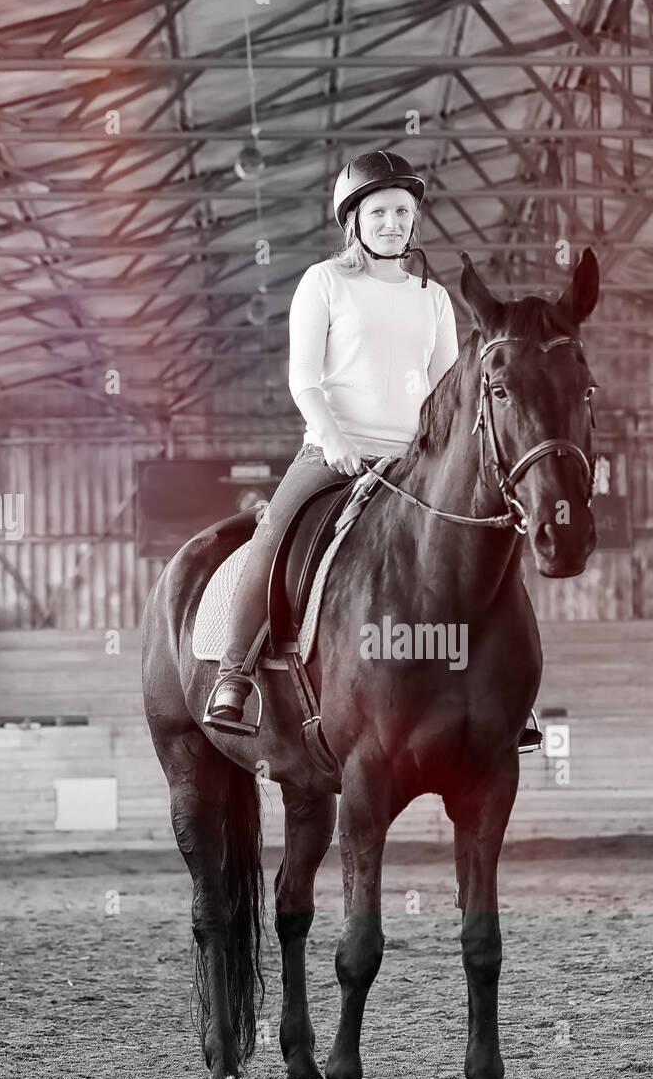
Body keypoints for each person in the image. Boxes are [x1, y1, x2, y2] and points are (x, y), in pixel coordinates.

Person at [203, 149, 541, 750]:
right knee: (274, 536)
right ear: (353, 220)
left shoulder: (433, 298)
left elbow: (446, 395)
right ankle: (234, 675)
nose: (393, 223)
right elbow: (303, 376)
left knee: (487, 550)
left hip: (412, 464)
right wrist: (331, 437)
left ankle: (511, 697)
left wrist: (440, 458)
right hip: (332, 454)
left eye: (403, 212)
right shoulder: (325, 283)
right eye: (380, 211)